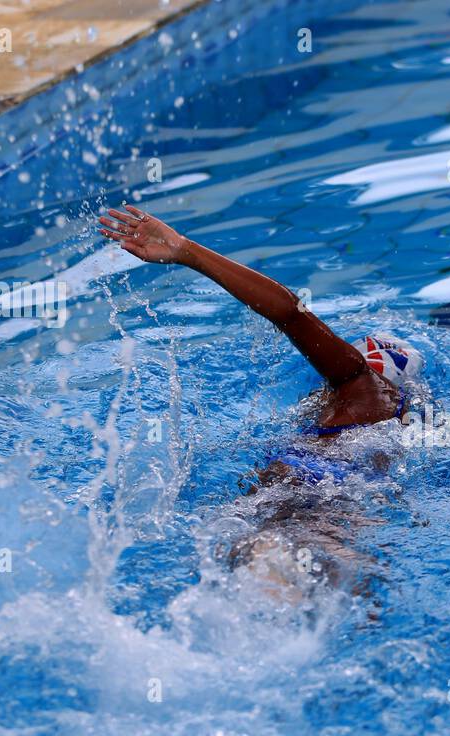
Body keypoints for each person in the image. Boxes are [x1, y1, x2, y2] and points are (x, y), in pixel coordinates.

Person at [98, 205, 420, 592]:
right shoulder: (393, 420)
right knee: (313, 577)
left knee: (254, 563)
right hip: (340, 502)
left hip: (305, 489)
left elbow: (291, 314)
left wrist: (187, 251)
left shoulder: (357, 380)